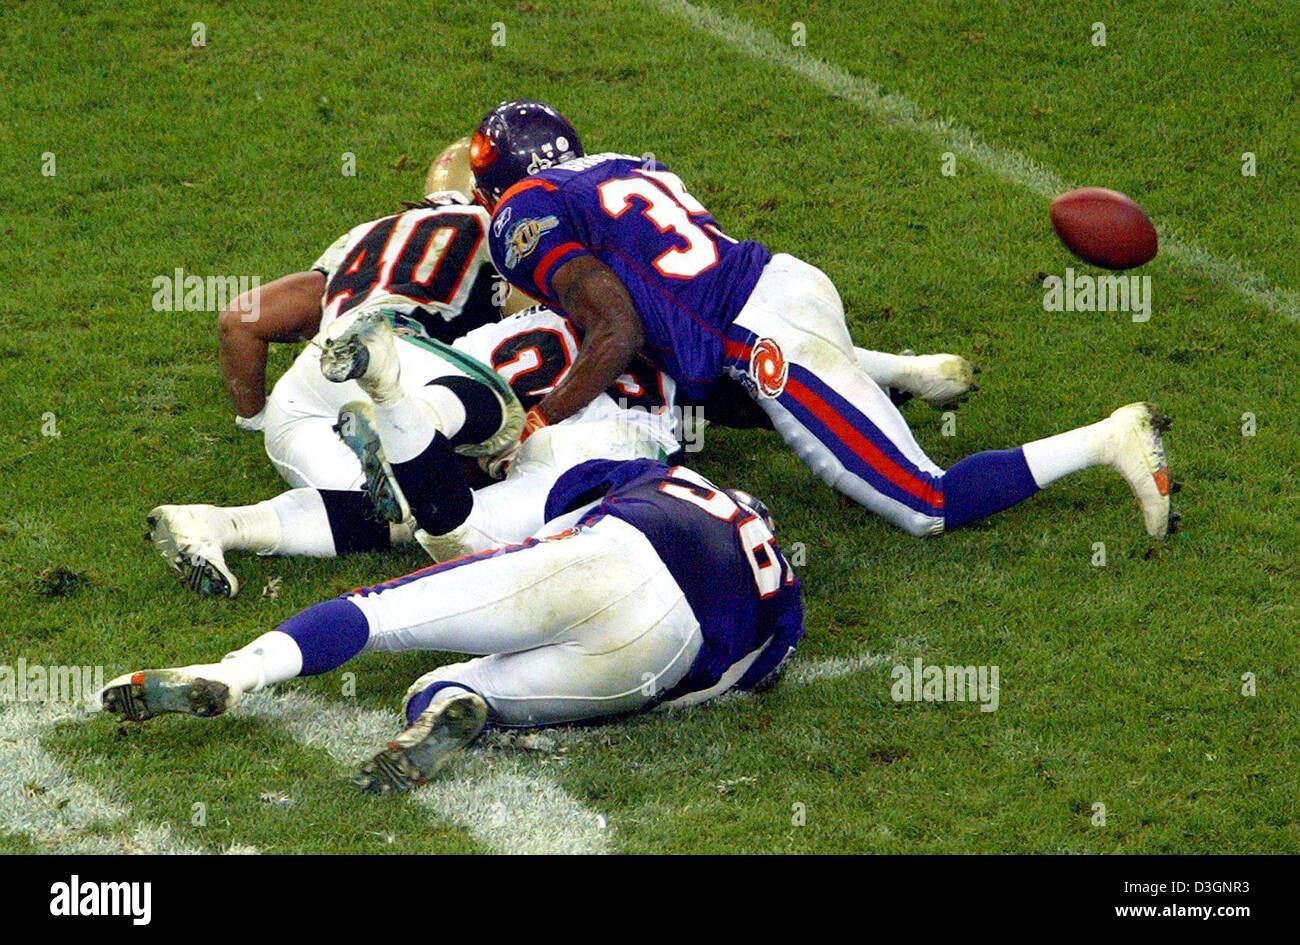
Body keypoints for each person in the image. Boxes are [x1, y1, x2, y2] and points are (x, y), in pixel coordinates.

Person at [468, 100, 1179, 540]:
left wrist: (541, 417)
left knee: (925, 501)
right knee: (692, 373)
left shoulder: (520, 213)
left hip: (766, 339)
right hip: (785, 285)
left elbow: (616, 331)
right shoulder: (620, 164)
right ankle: (905, 371)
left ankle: (1107, 439)